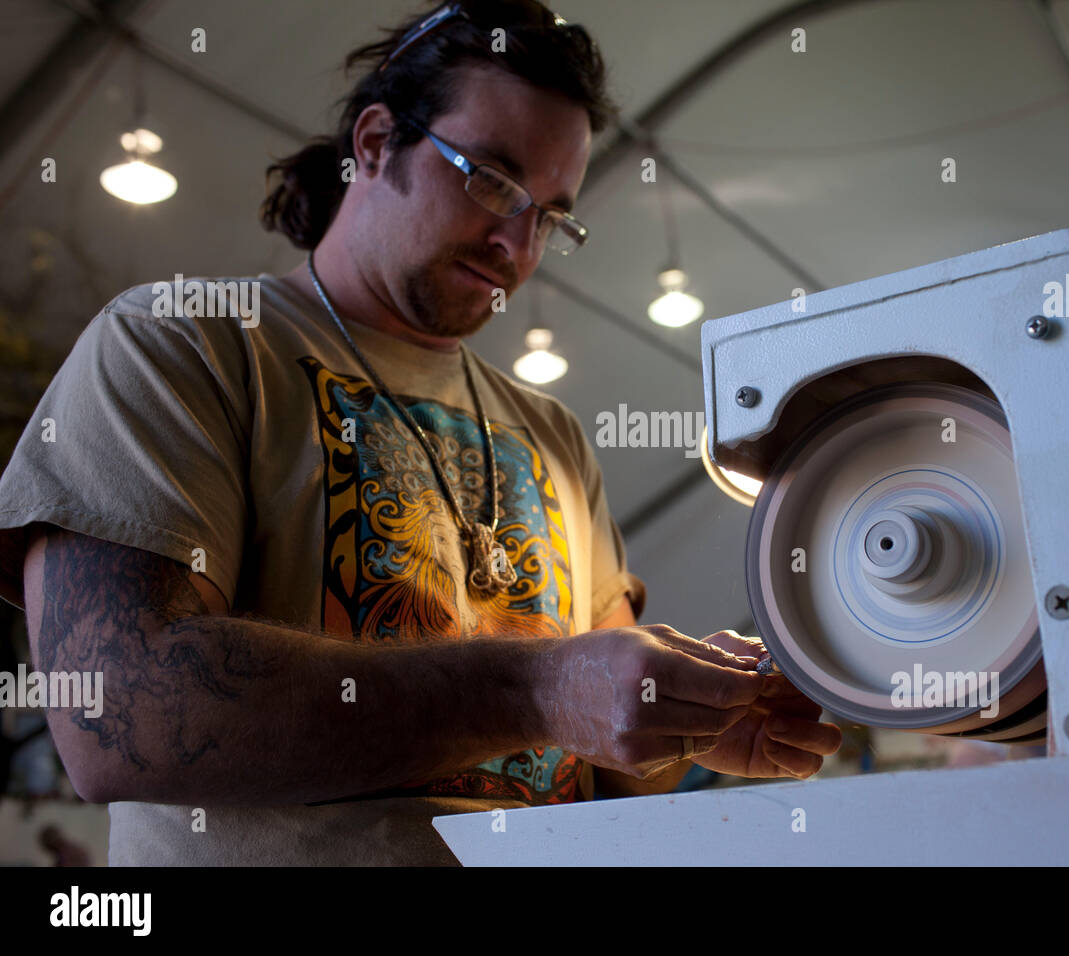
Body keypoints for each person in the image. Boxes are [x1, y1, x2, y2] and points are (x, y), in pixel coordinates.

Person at [0, 0, 840, 865]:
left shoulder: (550, 430)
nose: (517, 241)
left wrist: (693, 723)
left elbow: (606, 768)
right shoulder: (184, 344)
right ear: (373, 143)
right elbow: (117, 712)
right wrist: (535, 686)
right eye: (492, 178)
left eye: (551, 215)